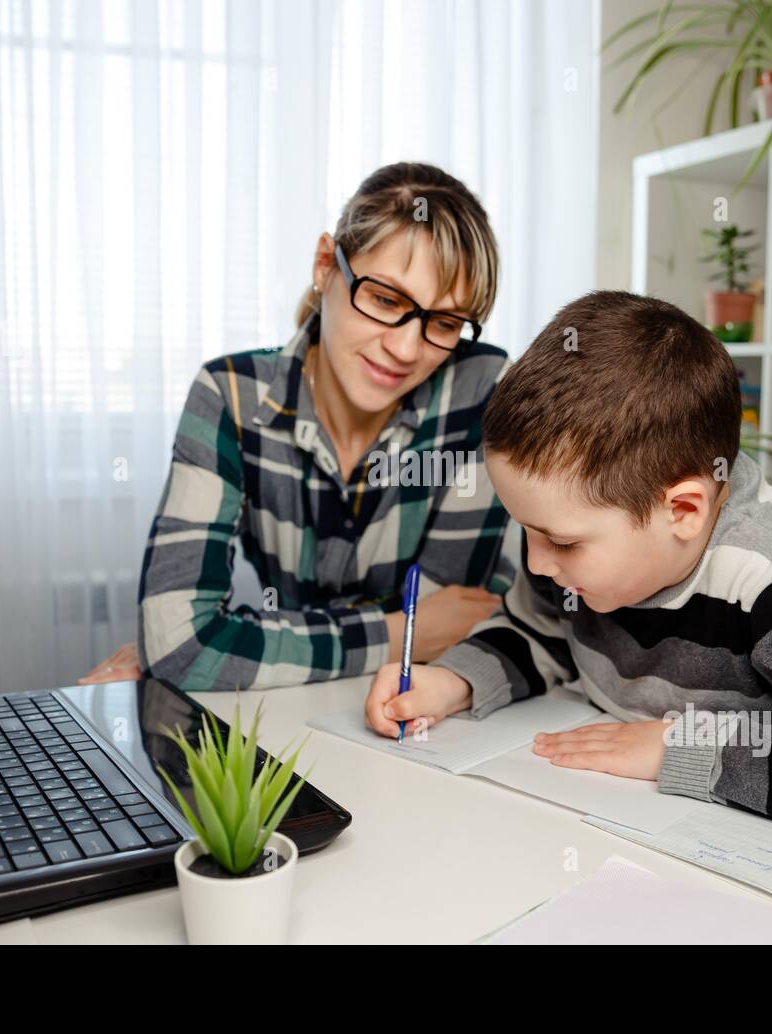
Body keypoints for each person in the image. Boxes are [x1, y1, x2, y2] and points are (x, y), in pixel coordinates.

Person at [363, 290, 772, 852]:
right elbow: (541, 633)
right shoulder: (576, 545)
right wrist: (453, 682)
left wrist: (681, 749)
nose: (534, 562)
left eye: (559, 540)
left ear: (684, 510)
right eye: (524, 529)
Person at [82, 162, 513, 690]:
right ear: (327, 265)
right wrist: (399, 633)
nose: (405, 348)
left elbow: (452, 629)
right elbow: (181, 645)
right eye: (384, 299)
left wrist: (226, 646)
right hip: (294, 721)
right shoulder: (231, 395)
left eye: (444, 323)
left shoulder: (482, 393)